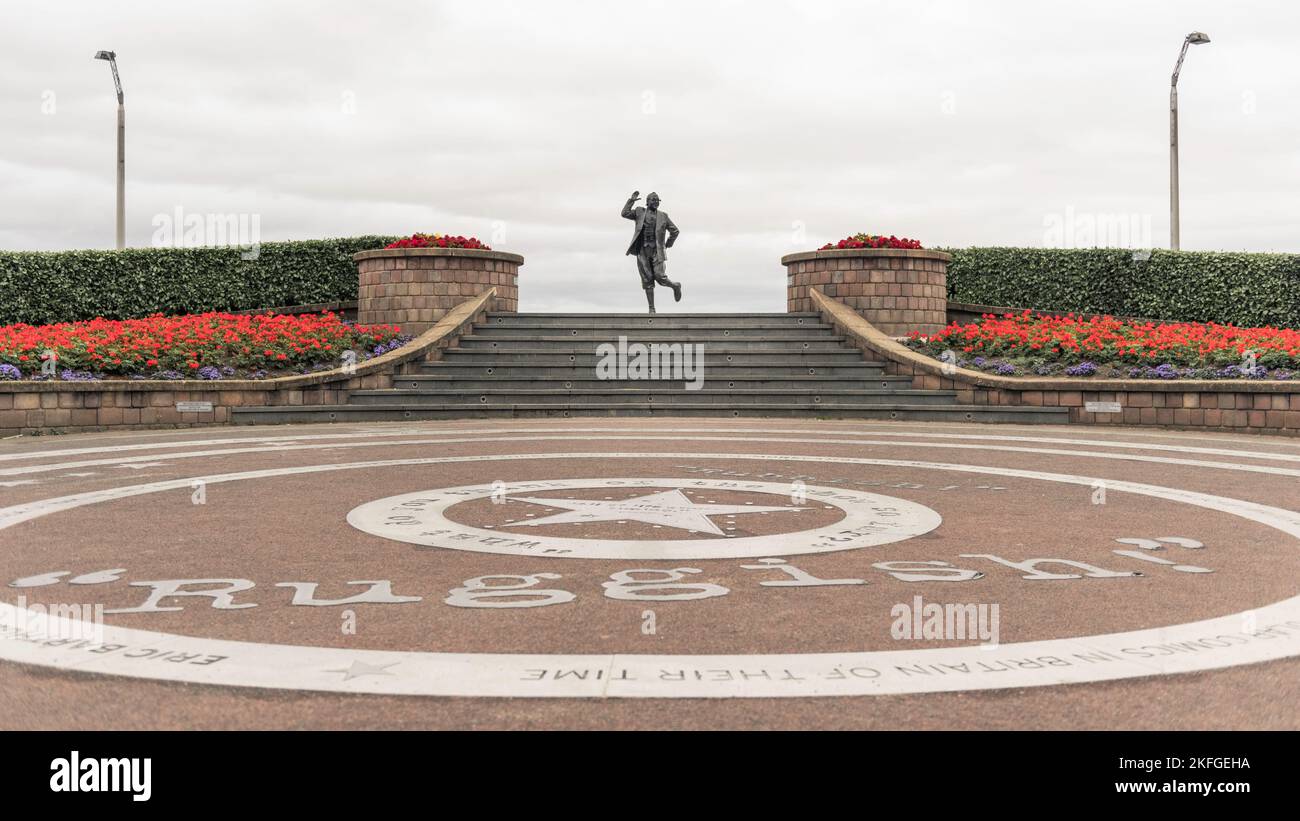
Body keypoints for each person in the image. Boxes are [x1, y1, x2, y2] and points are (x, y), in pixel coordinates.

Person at [621, 190, 681, 313]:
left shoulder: (663, 216)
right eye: (653, 200)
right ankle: (651, 308)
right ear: (647, 202)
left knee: (660, 277)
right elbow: (624, 213)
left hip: (657, 251)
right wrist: (631, 201)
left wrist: (668, 243)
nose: (656, 202)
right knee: (647, 279)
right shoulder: (639, 212)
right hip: (642, 250)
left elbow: (675, 231)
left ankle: (675, 286)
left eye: (657, 200)